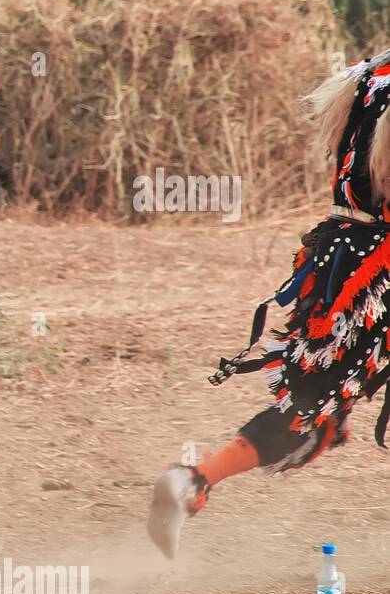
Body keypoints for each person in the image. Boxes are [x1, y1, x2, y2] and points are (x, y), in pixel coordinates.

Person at [149, 50, 390, 557]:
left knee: (318, 405)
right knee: (315, 410)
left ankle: (195, 480)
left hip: (338, 250)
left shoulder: (371, 75)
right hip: (371, 270)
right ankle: (193, 479)